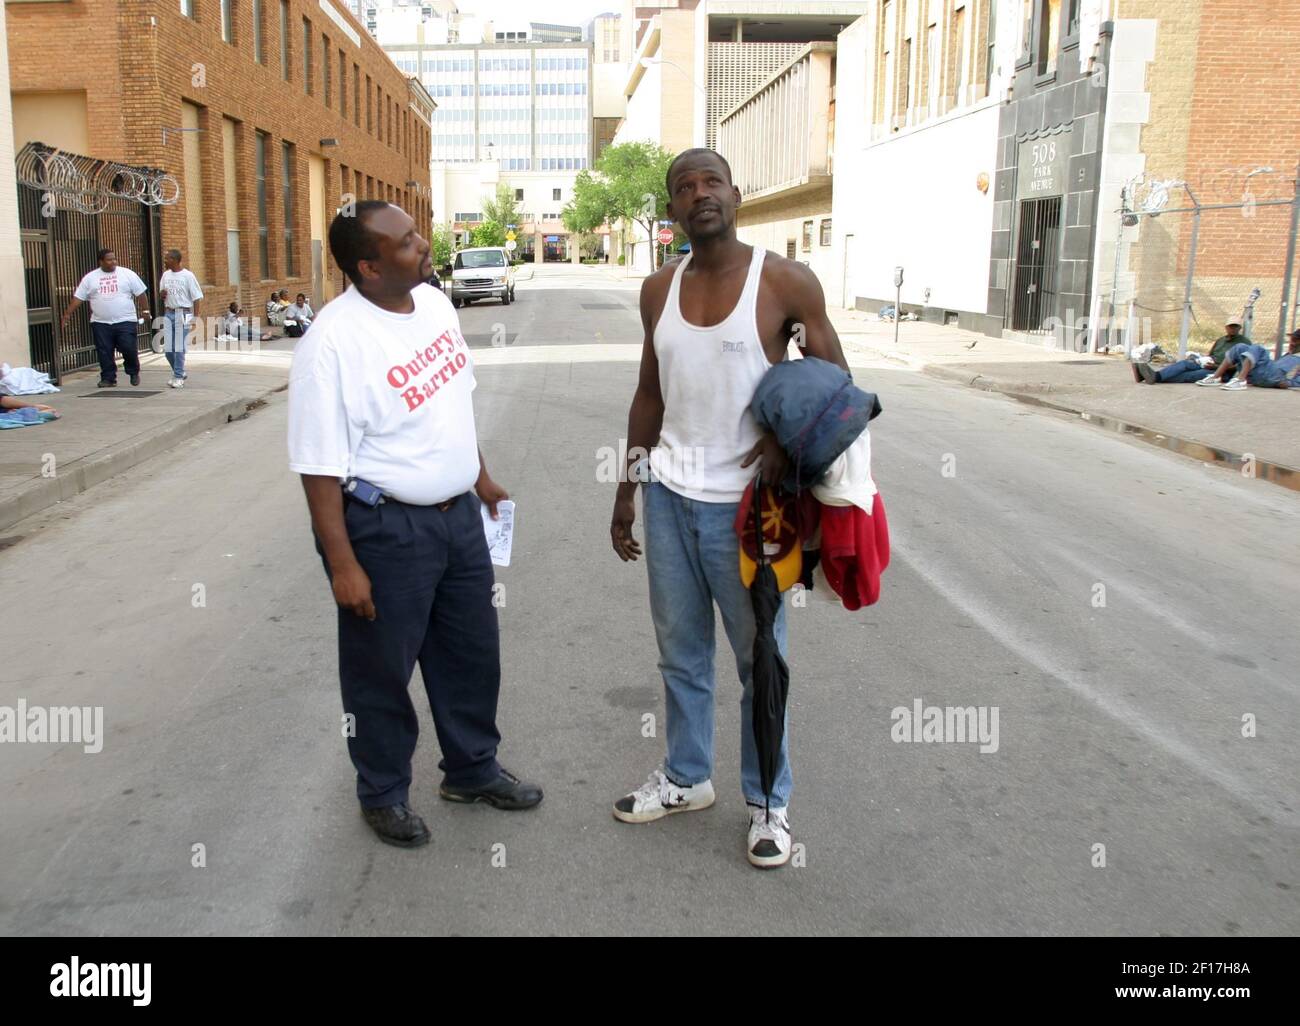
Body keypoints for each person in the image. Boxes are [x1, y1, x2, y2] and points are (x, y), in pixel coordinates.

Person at [609, 148, 850, 870]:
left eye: (710, 181)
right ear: (673, 210)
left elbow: (838, 384)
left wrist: (787, 440)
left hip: (755, 512)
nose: (698, 194)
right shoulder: (657, 289)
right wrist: (626, 488)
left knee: (760, 662)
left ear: (735, 194)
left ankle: (769, 803)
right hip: (670, 499)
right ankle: (686, 777)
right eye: (683, 187)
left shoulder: (784, 280)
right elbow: (649, 392)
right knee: (681, 654)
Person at [288, 199, 542, 849]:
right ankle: (382, 793)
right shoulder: (332, 342)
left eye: (416, 233)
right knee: (381, 673)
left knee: (470, 655)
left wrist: (478, 476)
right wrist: (343, 564)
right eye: (405, 243)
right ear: (368, 267)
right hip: (385, 531)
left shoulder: (432, 304)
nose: (424, 244)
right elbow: (318, 468)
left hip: (459, 518)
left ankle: (471, 769)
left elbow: (451, 402)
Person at [61, 249, 150, 387]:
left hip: (125, 320)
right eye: (109, 259)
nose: (113, 262)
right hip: (100, 322)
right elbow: (78, 298)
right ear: (101, 261)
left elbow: (141, 293)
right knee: (104, 351)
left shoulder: (127, 274)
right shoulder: (90, 278)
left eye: (114, 259)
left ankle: (133, 371)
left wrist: (145, 310)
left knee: (128, 347)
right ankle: (108, 378)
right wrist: (67, 314)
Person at [1133, 321, 1247, 384]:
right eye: (1230, 326)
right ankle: (1153, 376)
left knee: (1190, 375)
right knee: (1184, 364)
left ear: (1239, 328)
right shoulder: (1221, 340)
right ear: (1226, 327)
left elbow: (1241, 365)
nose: (1232, 328)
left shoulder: (1243, 343)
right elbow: (1211, 354)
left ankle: (1153, 377)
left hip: (1222, 372)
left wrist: (1216, 366)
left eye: (1235, 326)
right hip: (1208, 363)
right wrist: (1201, 359)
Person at [1196, 329, 1298, 390]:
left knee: (1258, 348)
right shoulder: (1291, 354)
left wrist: (1289, 383)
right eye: (1291, 340)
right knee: (1240, 347)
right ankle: (1215, 377)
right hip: (1263, 374)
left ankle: (1240, 380)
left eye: (1295, 341)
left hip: (1276, 377)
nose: (1291, 343)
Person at [159, 248, 203, 389]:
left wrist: (195, 318)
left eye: (168, 258)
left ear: (175, 260)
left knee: (178, 346)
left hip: (183, 313)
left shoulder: (188, 276)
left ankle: (178, 376)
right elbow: (161, 293)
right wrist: (163, 294)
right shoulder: (166, 275)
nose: (165, 260)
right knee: (168, 349)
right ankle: (180, 371)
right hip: (169, 312)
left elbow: (196, 298)